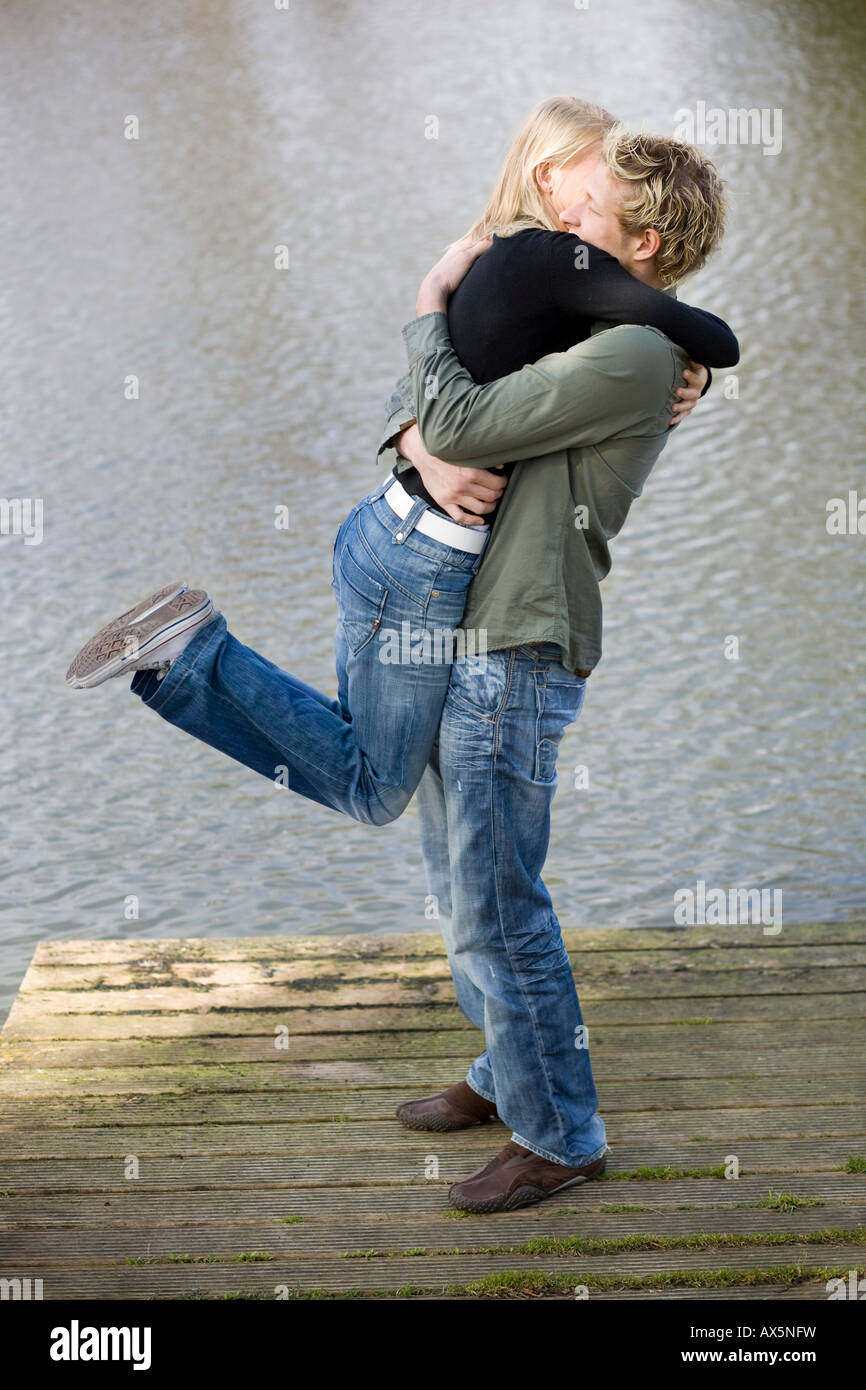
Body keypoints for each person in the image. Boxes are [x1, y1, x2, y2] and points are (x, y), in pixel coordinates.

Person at [65, 100, 736, 842]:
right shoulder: (547, 258)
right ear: (549, 177)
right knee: (377, 785)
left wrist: (686, 367)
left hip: (399, 539)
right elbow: (437, 391)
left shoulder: (535, 273)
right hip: (420, 551)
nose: (586, 198)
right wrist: (426, 439)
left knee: (370, 760)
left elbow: (467, 374)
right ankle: (191, 655)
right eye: (590, 175)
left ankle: (187, 656)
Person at [383, 126, 734, 1212]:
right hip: (475, 626)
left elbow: (457, 413)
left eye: (587, 215)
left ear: (645, 235)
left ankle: (559, 1135)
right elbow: (440, 422)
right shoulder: (600, 327)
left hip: (516, 645)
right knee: (461, 887)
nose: (561, 228)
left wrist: (424, 311)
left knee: (500, 904)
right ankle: (506, 1071)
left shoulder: (628, 353)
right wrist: (410, 436)